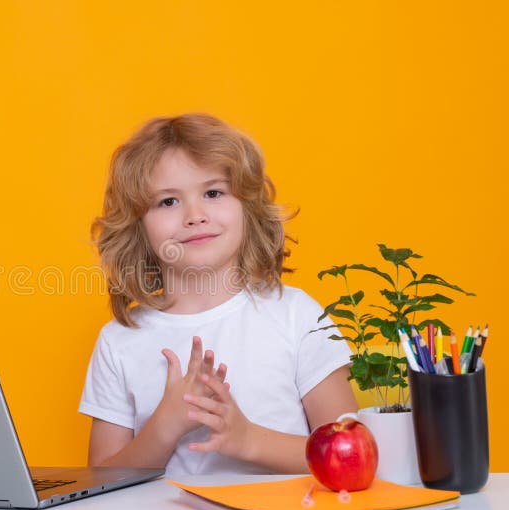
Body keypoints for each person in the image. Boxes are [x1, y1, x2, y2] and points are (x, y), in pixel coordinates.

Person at [79, 113, 358, 475]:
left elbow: (349, 454)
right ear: (138, 227)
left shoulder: (297, 316)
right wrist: (164, 426)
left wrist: (247, 439)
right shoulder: (118, 342)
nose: (195, 215)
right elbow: (99, 481)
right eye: (167, 202)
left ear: (247, 208)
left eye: (213, 193)